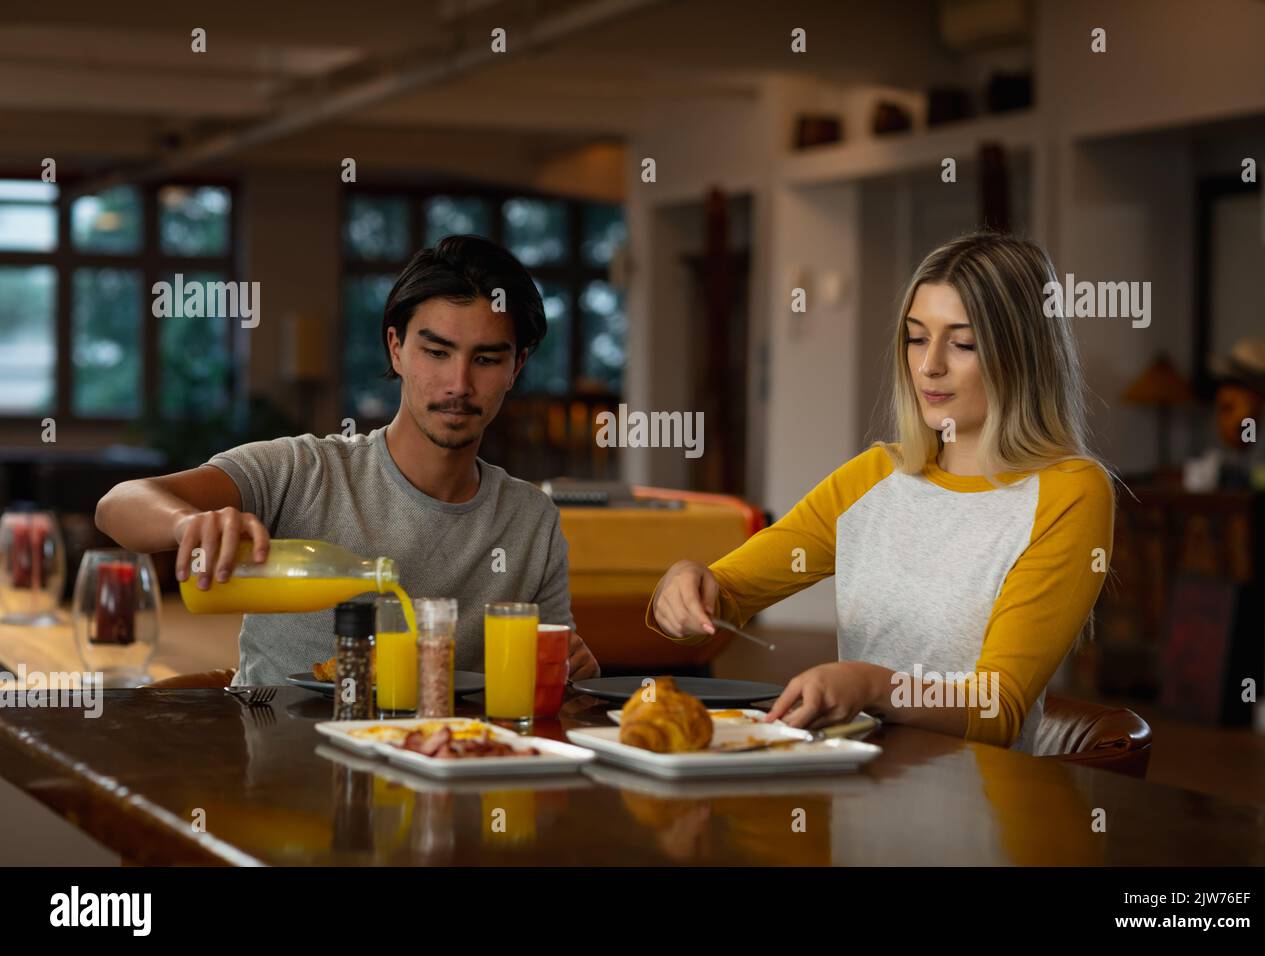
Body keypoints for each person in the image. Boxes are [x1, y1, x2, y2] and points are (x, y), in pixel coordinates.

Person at [647, 231, 1115, 753]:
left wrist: (873, 685)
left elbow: (998, 708)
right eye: (917, 338)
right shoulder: (873, 477)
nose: (929, 365)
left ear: (1023, 354)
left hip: (982, 812)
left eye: (962, 343)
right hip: (862, 800)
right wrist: (686, 582)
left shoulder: (1069, 491)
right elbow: (726, 594)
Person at [97, 235, 599, 685]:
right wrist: (186, 524)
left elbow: (551, 668)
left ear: (518, 366)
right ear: (396, 348)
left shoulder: (531, 519)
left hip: (446, 768)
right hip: (281, 774)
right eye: (437, 353)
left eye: (486, 359)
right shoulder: (305, 472)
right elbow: (119, 505)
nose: (459, 384)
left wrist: (570, 667)